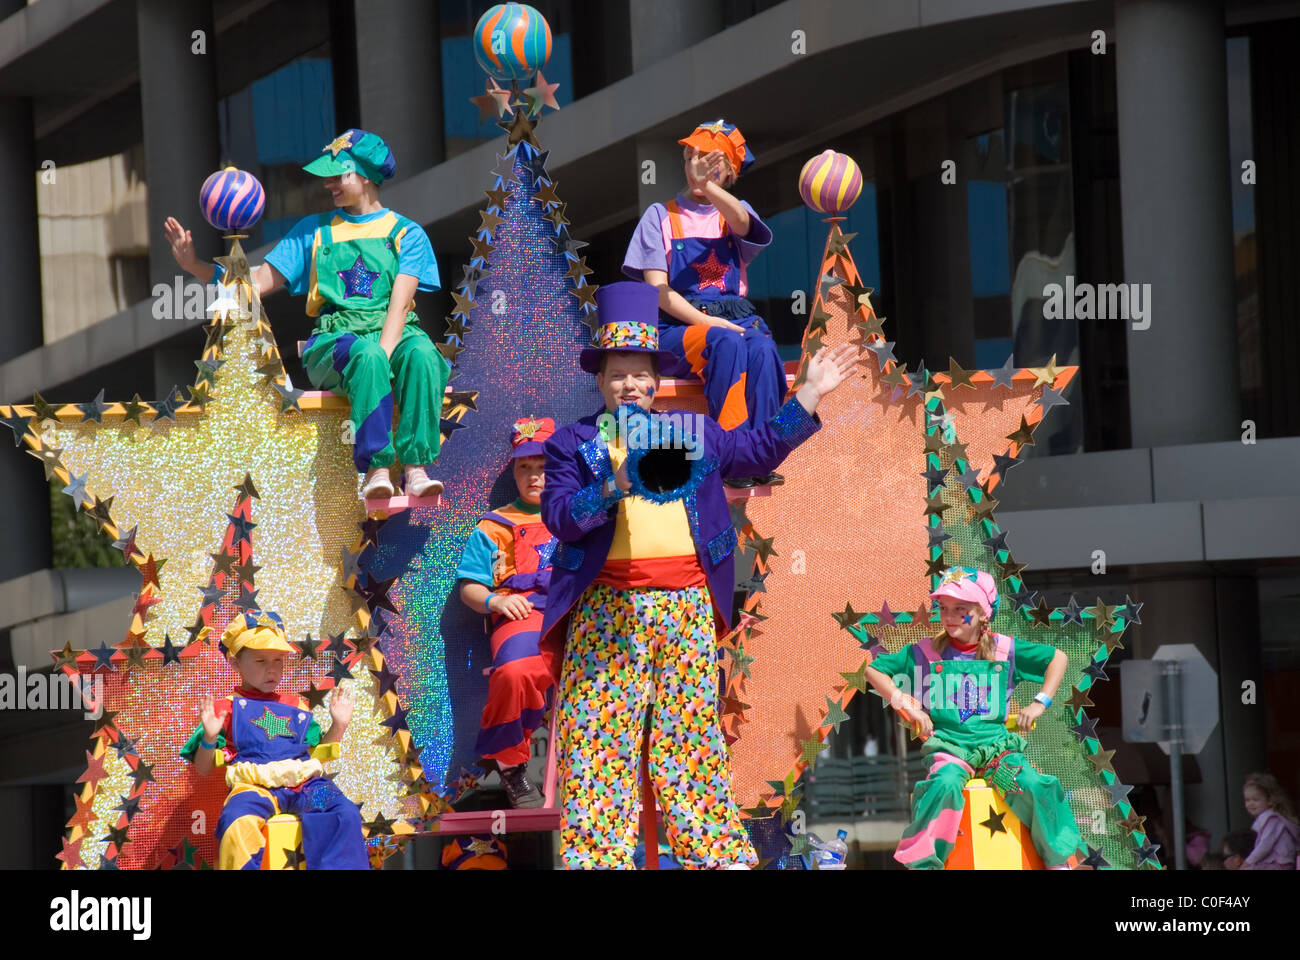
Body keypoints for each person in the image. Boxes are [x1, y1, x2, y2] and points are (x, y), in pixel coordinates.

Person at [539, 280, 859, 869]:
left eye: (640, 375)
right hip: (608, 614)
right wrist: (613, 486)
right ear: (601, 382)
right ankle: (596, 861)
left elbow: (757, 451)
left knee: (690, 746)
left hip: (685, 607)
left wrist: (809, 394)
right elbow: (560, 518)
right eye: (617, 376)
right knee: (597, 748)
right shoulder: (572, 444)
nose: (630, 385)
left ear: (656, 381)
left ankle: (717, 861)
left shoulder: (692, 432)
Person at [166, 128, 450, 499]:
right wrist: (196, 267)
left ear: (365, 175)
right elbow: (256, 283)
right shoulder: (312, 232)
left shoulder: (407, 234)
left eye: (339, 174)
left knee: (425, 355)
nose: (329, 183)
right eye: (327, 175)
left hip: (394, 331)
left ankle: (415, 468)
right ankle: (377, 468)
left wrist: (384, 355)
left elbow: (399, 307)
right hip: (337, 340)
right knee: (367, 358)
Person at [861, 566, 1086, 870]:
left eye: (960, 609)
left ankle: (1057, 862)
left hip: (998, 750)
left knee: (1035, 784)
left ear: (983, 613)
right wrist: (909, 706)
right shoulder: (926, 652)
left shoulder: (1004, 650)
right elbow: (873, 670)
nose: (949, 616)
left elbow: (1057, 658)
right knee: (943, 785)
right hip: (951, 748)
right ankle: (926, 865)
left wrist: (1039, 703)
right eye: (943, 608)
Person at [622, 119, 785, 489]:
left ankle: (764, 453)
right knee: (725, 343)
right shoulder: (659, 217)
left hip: (737, 315)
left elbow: (744, 224)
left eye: (708, 158)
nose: (696, 163)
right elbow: (659, 292)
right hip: (678, 326)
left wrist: (708, 187)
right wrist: (707, 323)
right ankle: (734, 456)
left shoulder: (735, 212)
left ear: (728, 171)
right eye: (692, 154)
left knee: (761, 348)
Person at [181, 610, 367, 870]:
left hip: (306, 785)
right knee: (237, 823)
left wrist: (339, 725)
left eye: (278, 660)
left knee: (343, 812)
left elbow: (317, 752)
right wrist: (210, 738)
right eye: (260, 661)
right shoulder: (226, 708)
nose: (272, 669)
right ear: (235, 663)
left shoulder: (298, 706)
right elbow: (202, 767)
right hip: (255, 789)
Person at [455, 416, 561, 808]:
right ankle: (511, 765)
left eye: (543, 466)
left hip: (574, 613)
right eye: (525, 467)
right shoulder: (494, 525)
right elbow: (470, 586)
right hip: (522, 616)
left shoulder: (578, 517)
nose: (534, 476)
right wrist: (495, 601)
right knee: (514, 673)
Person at [1241, 772, 1299, 869]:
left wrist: (1247, 862)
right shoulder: (1263, 819)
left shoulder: (1272, 819)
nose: (1250, 804)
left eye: (1255, 800)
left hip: (1280, 864)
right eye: (1247, 800)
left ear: (1270, 800)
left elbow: (1265, 845)